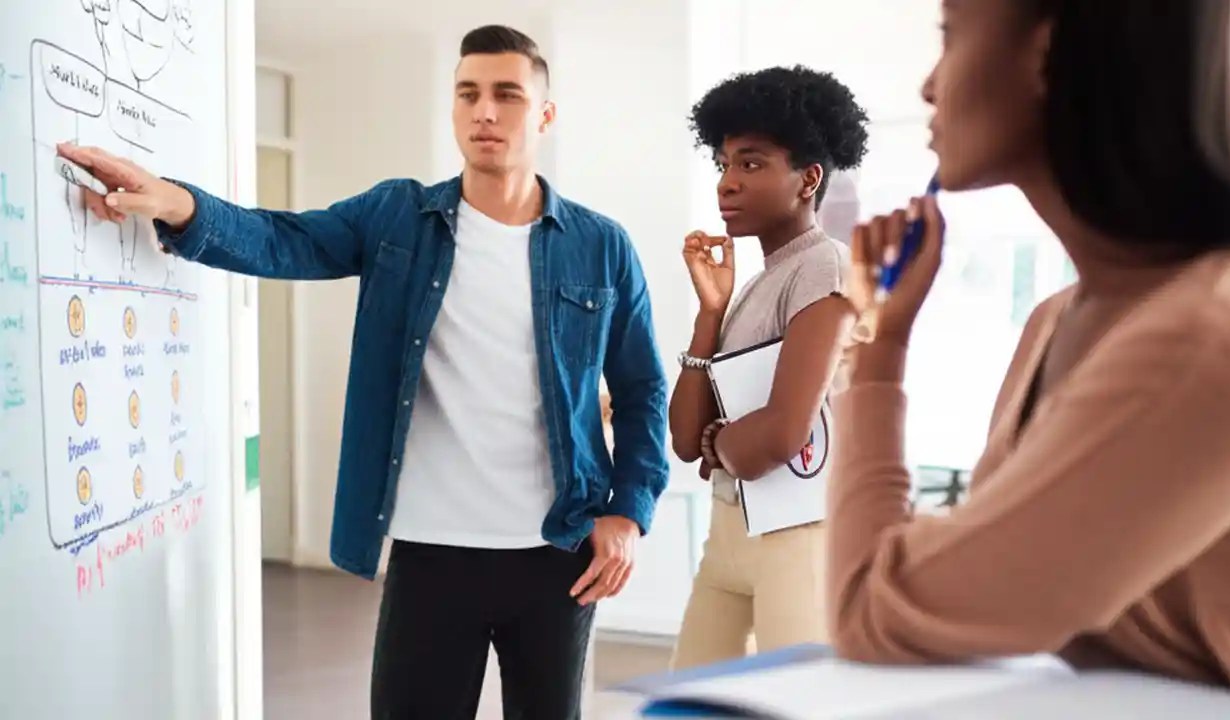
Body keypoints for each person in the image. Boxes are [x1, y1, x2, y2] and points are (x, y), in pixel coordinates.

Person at [59, 24, 670, 719]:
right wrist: (176, 202)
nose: (485, 112)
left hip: (556, 551)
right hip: (430, 556)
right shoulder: (399, 218)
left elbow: (644, 387)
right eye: (468, 93)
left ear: (546, 114)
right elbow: (284, 239)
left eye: (508, 95)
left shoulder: (600, 247)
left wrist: (630, 510)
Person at [829, 0, 1230, 700]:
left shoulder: (1214, 338)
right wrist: (881, 333)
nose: (927, 85)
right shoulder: (1055, 320)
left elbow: (871, 610)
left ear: (1046, 55)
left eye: (950, 37)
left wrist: (880, 350)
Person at [668, 65, 869, 668]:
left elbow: (779, 436)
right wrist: (711, 312)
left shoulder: (823, 266)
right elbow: (683, 439)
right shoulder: (759, 282)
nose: (727, 183)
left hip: (797, 540)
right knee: (692, 703)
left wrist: (718, 440)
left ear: (808, 179)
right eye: (724, 164)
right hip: (730, 534)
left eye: (751, 164)